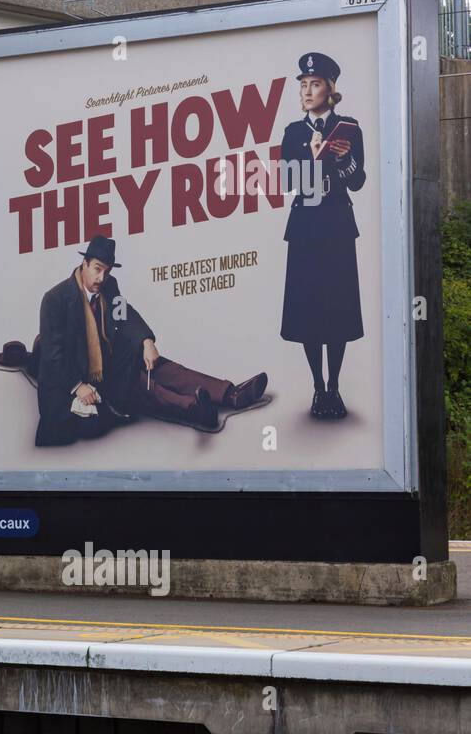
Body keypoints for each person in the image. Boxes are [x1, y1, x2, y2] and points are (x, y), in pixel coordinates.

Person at [36, 236, 268, 446]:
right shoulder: (55, 300)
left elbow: (124, 316)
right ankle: (194, 408)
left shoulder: (108, 286)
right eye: (97, 269)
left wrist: (146, 341)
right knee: (141, 382)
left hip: (109, 363)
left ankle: (229, 394)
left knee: (157, 365)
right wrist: (78, 386)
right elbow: (53, 355)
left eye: (106, 271)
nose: (101, 278)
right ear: (84, 263)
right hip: (85, 378)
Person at [279, 52, 366, 420]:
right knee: (309, 311)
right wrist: (313, 160)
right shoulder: (293, 133)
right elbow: (286, 183)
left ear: (330, 89)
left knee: (338, 308)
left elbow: (358, 181)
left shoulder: (349, 128)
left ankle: (335, 388)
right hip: (305, 230)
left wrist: (344, 161)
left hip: (337, 227)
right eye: (303, 84)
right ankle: (318, 387)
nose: (307, 90)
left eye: (315, 84)